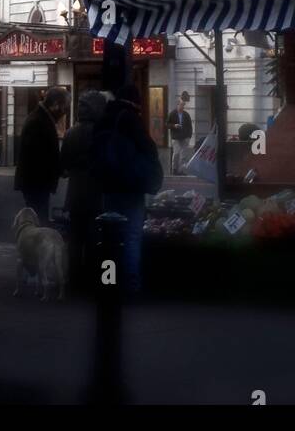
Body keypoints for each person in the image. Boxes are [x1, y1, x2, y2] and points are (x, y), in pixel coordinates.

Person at [92, 84, 164, 295]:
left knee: (109, 236)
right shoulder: (131, 119)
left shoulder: (104, 117)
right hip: (131, 187)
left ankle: (109, 281)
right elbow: (149, 148)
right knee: (132, 236)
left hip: (109, 186)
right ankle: (131, 285)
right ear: (134, 101)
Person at [60, 90, 106, 295]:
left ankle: (73, 280)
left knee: (75, 239)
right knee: (95, 238)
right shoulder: (104, 133)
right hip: (97, 192)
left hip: (76, 193)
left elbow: (64, 164)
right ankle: (94, 280)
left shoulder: (71, 133)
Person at [14, 88, 67, 223]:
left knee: (39, 216)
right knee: (38, 218)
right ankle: (35, 242)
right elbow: (40, 156)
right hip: (36, 181)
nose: (64, 111)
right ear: (55, 104)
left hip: (37, 181)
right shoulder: (38, 121)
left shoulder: (41, 118)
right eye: (64, 106)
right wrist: (59, 169)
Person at [166, 92, 194, 175]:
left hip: (185, 137)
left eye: (183, 105)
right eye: (181, 105)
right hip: (175, 137)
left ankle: (181, 170)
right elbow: (167, 124)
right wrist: (174, 125)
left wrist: (189, 137)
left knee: (183, 155)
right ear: (177, 105)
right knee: (176, 153)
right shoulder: (172, 113)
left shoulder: (186, 115)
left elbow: (190, 126)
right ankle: (174, 169)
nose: (182, 107)